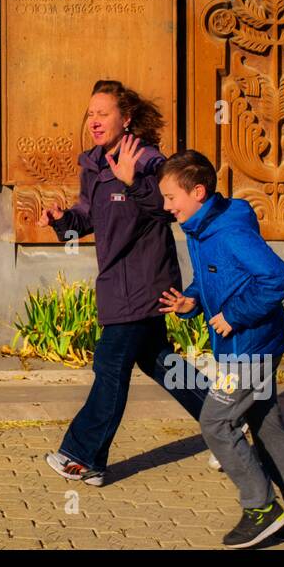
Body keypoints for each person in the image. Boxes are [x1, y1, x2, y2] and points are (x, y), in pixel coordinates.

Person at [157, 149, 284, 547]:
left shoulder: (230, 232)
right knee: (266, 424)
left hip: (250, 347)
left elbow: (276, 278)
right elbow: (217, 281)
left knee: (216, 423)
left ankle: (262, 509)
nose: (166, 205)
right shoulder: (203, 228)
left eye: (172, 197)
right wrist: (192, 301)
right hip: (244, 343)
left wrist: (234, 314)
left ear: (198, 192)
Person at [40, 80, 207, 487]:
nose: (94, 121)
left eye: (103, 113)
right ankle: (227, 416)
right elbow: (86, 218)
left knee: (110, 366)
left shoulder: (148, 160)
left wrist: (133, 181)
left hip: (145, 282)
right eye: (91, 114)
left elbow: (168, 210)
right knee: (161, 363)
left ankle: (83, 456)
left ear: (125, 118)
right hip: (116, 282)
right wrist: (62, 221)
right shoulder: (93, 165)